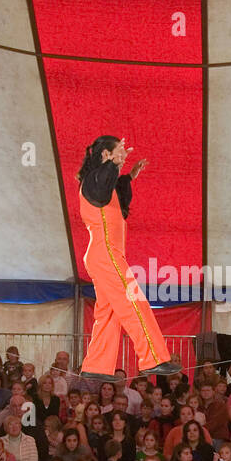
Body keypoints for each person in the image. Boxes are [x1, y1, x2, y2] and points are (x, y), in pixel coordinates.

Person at [74, 135, 181, 382]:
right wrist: (113, 164)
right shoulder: (92, 182)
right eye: (117, 154)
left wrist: (129, 175)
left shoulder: (104, 184)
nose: (121, 158)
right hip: (106, 254)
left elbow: (115, 199)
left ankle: (96, 366)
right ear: (104, 156)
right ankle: (153, 357)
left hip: (105, 255)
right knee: (134, 302)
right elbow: (101, 189)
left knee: (108, 313)